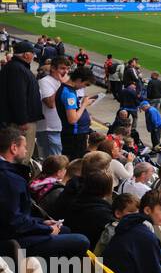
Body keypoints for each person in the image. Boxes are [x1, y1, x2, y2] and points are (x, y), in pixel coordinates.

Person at [0, 128, 90, 261]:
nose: (26, 151)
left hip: (14, 233)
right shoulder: (9, 179)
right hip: (14, 242)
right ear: (14, 148)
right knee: (82, 241)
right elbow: (14, 222)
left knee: (65, 230)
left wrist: (43, 223)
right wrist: (46, 230)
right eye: (24, 147)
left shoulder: (10, 176)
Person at [55, 66, 97, 160]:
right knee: (75, 165)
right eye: (85, 84)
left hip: (75, 134)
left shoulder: (69, 90)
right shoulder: (69, 94)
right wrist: (84, 105)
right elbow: (72, 119)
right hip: (75, 136)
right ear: (79, 79)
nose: (84, 87)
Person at [36, 56, 68, 158]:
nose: (65, 72)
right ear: (53, 68)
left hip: (60, 128)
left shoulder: (61, 82)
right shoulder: (45, 81)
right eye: (62, 68)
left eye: (67, 69)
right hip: (49, 129)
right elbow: (50, 103)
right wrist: (63, 85)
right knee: (53, 162)